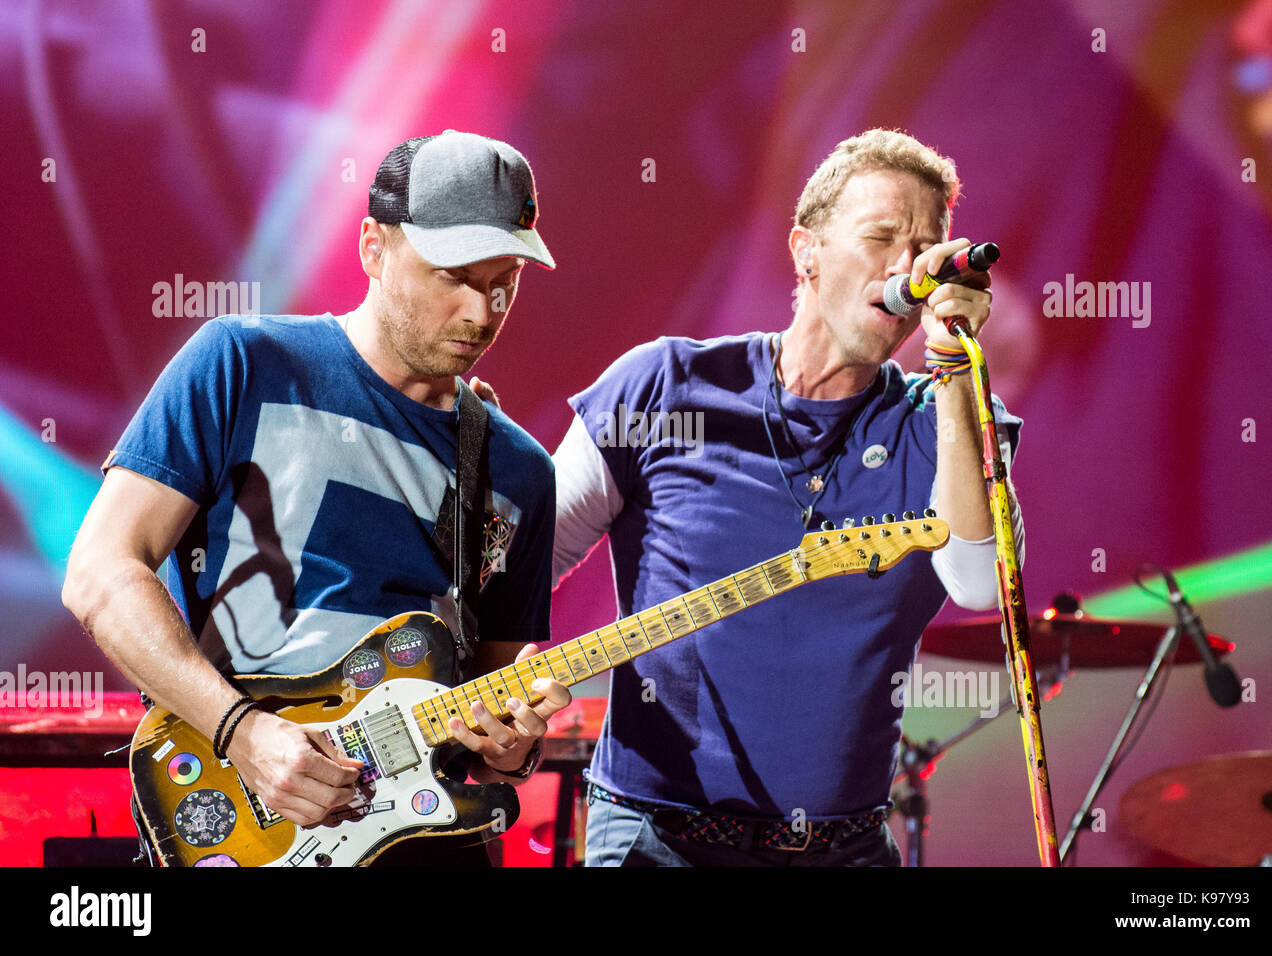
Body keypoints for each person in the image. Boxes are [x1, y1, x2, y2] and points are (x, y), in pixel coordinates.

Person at [62, 130, 572, 866]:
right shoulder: (241, 362)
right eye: (452, 276)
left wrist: (513, 750)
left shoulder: (522, 470)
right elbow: (102, 572)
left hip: (427, 841)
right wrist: (242, 731)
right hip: (247, 821)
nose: (480, 311)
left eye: (504, 281)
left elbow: (491, 703)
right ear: (373, 246)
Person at [551, 128, 1025, 866]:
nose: (908, 269)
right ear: (806, 250)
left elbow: (978, 582)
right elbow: (521, 562)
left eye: (926, 248)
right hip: (655, 838)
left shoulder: (948, 420)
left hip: (844, 849)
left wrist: (956, 365)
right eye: (880, 238)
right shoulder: (665, 385)